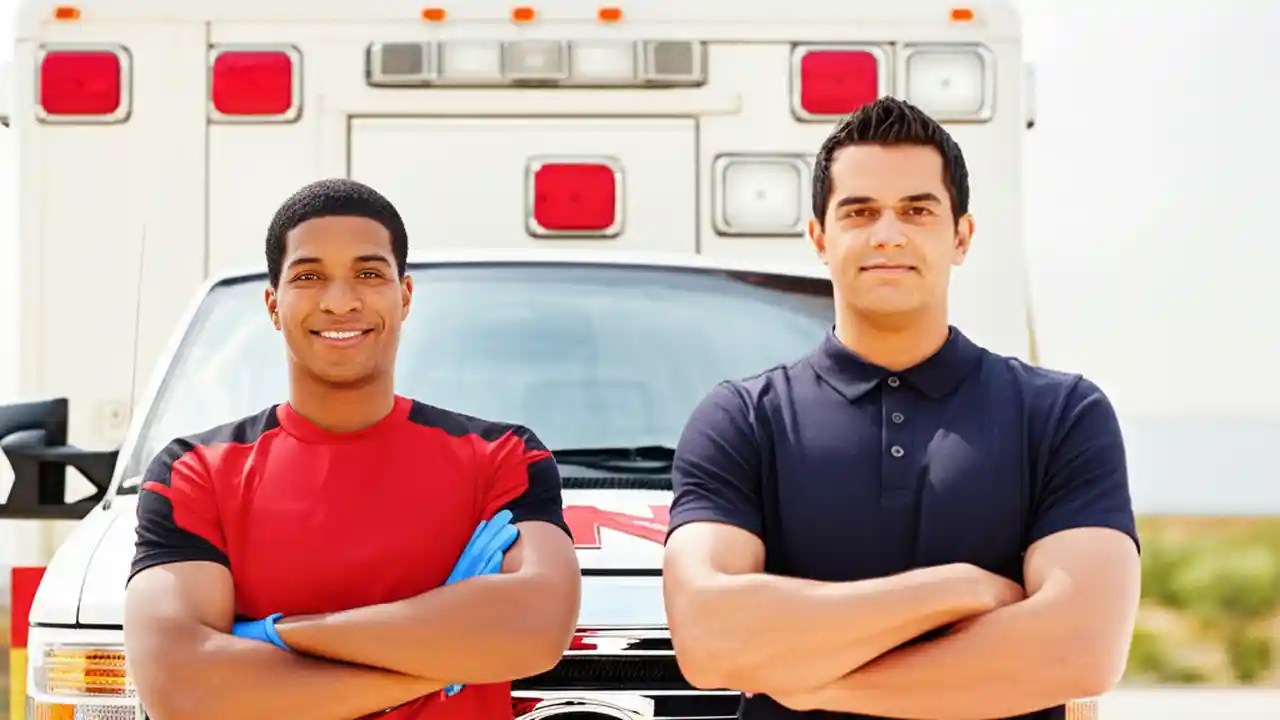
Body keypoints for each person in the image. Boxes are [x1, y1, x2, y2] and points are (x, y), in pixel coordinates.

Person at [661, 97, 1141, 720]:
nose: (888, 233)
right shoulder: (743, 419)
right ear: (819, 238)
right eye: (859, 212)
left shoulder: (1061, 414)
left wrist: (817, 684)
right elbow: (709, 638)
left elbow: (1081, 652)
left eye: (917, 210)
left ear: (961, 236)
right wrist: (959, 589)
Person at [123, 178, 581, 720]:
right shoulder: (194, 474)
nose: (340, 301)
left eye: (368, 273)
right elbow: (181, 690)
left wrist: (276, 635)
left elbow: (537, 632)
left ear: (403, 296)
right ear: (273, 304)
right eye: (309, 276)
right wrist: (455, 650)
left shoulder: (502, 457)